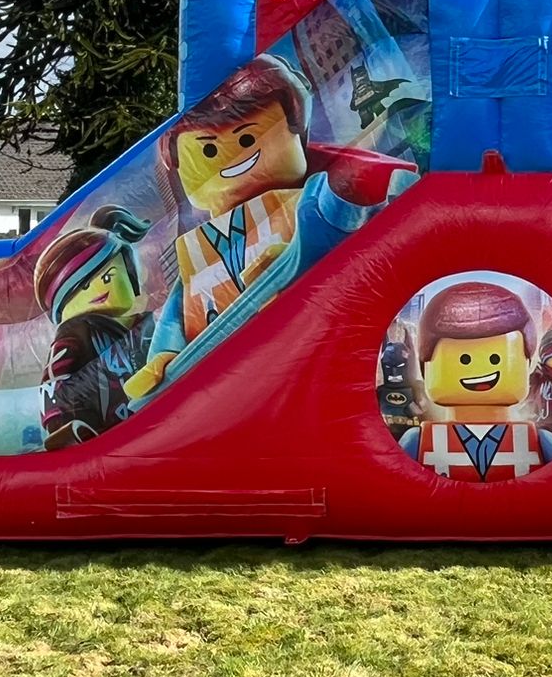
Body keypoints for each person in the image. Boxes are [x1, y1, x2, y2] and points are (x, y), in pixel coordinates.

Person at [127, 53, 414, 398]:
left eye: (248, 139)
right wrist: (163, 358)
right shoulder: (198, 246)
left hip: (297, 363)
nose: (232, 159)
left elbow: (338, 237)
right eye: (207, 150)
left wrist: (290, 268)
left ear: (297, 132)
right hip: (214, 383)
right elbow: (177, 312)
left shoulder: (307, 204)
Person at [398, 281, 552, 480]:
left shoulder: (539, 441)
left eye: (496, 359)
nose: (482, 371)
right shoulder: (418, 442)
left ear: (525, 363)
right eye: (464, 360)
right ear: (427, 366)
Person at [32, 204, 154, 447]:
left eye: (108, 277)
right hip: (105, 428)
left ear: (131, 275)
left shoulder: (148, 324)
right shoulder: (77, 333)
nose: (99, 289)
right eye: (82, 286)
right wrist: (62, 426)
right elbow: (55, 383)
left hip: (149, 417)